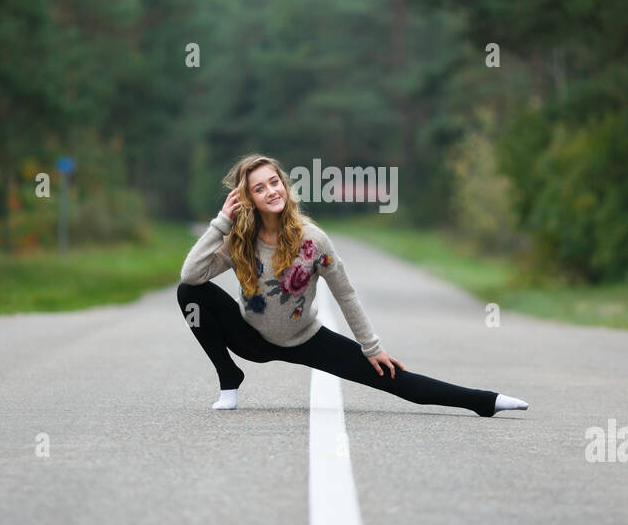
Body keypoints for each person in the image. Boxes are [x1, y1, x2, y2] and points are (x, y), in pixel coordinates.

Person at [176, 153, 530, 418]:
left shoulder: (313, 240)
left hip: (306, 339)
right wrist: (222, 222)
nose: (271, 191)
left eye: (275, 181)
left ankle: (486, 401)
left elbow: (344, 293)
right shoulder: (240, 240)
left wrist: (371, 347)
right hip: (249, 339)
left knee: (396, 379)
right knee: (188, 294)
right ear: (247, 198)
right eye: (259, 188)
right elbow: (192, 275)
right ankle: (229, 377)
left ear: (284, 184)